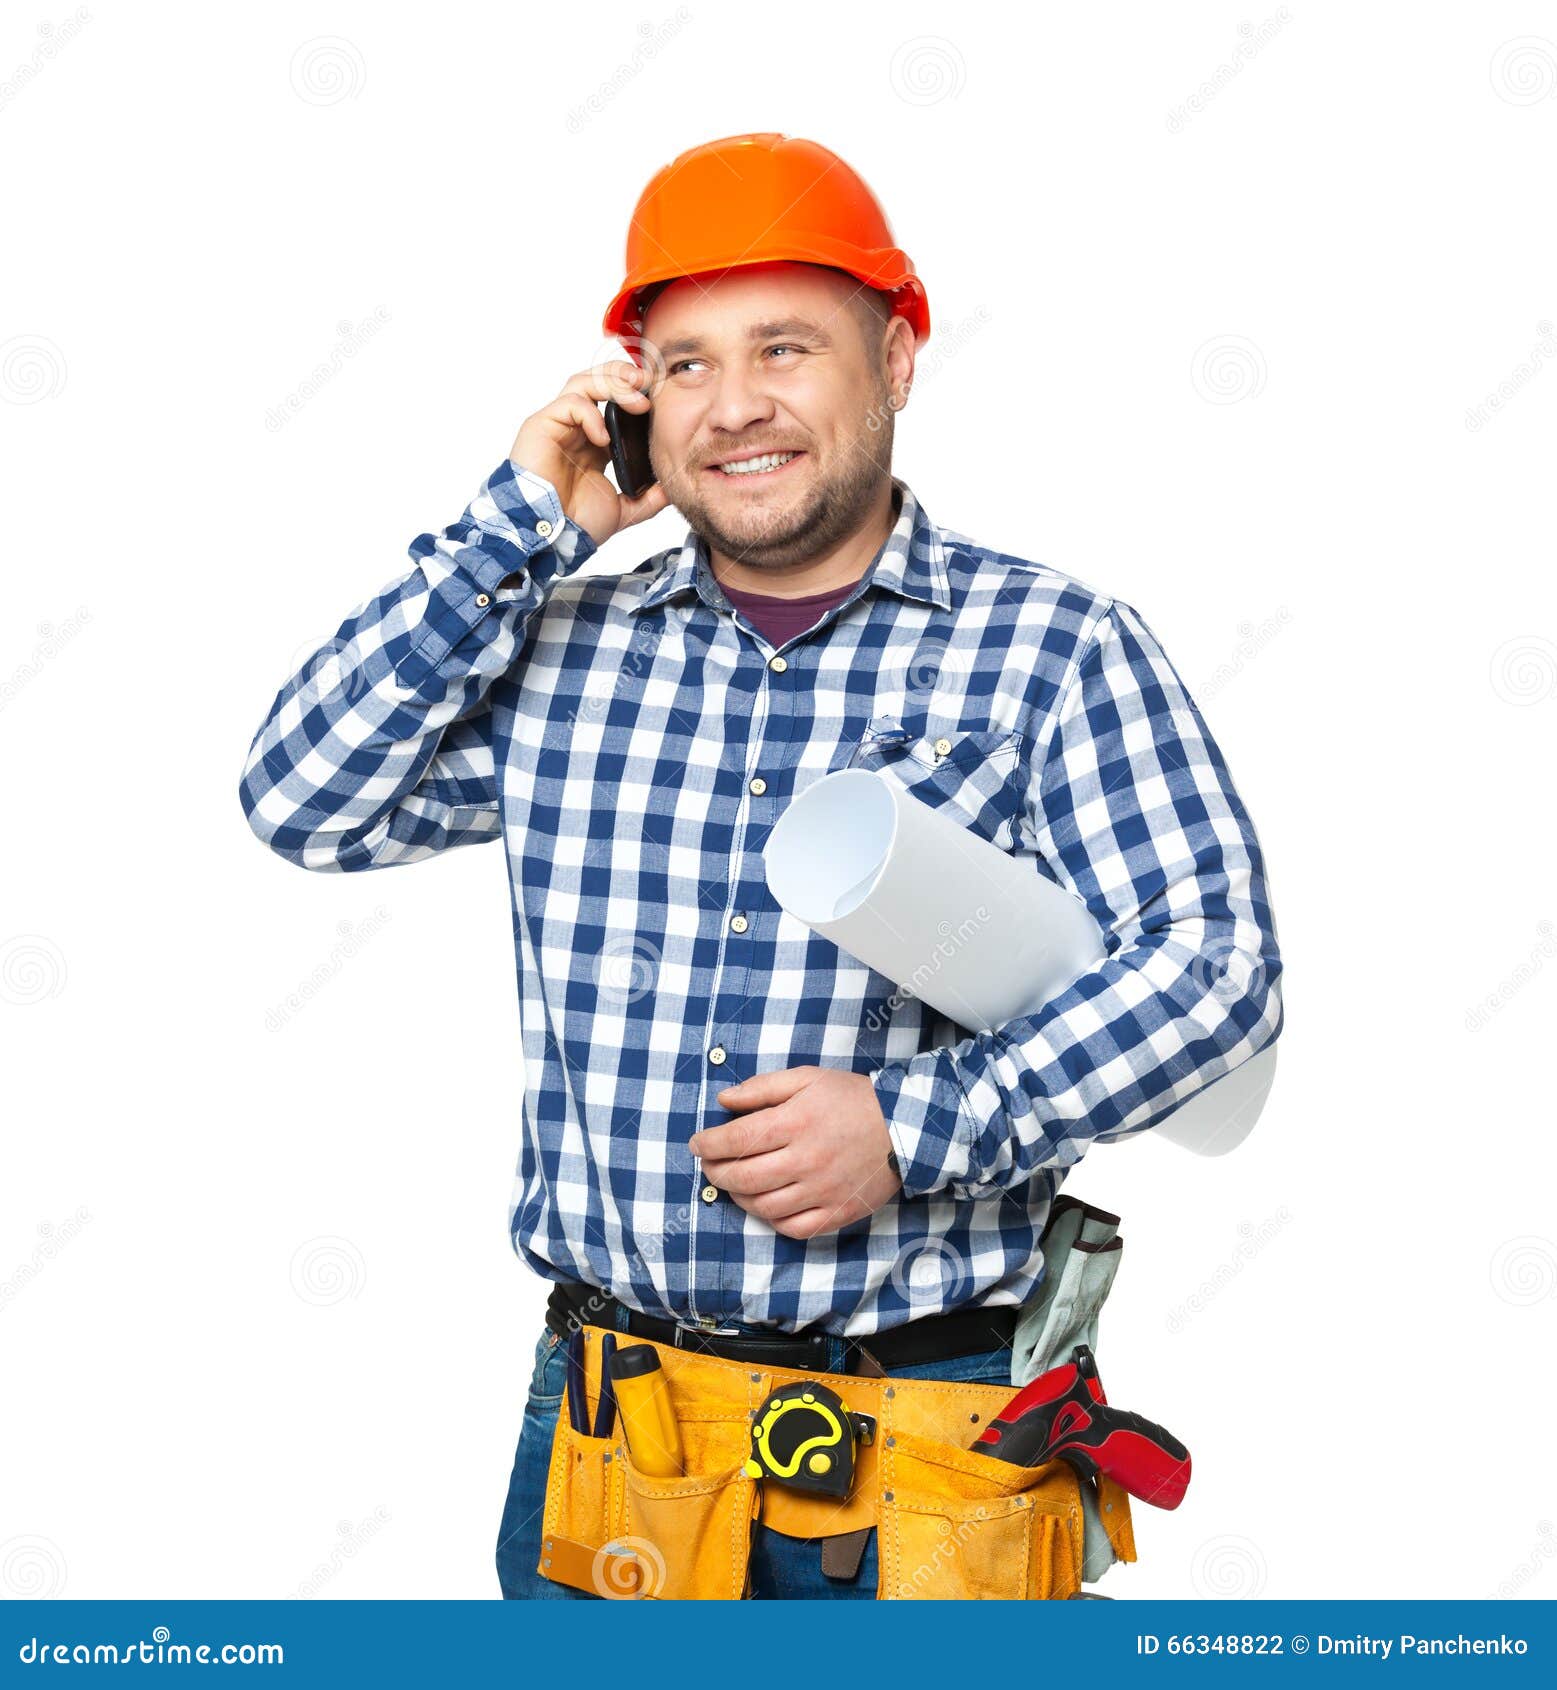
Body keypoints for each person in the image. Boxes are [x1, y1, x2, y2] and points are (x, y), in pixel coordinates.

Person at [238, 132, 1283, 1600]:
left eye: (784, 348)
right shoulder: (560, 650)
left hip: (928, 1449)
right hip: (616, 1438)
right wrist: (516, 531)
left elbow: (1212, 974)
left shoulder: (1053, 650)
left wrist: (918, 1126)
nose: (734, 406)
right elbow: (303, 800)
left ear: (896, 357)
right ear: (632, 398)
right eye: (685, 365)